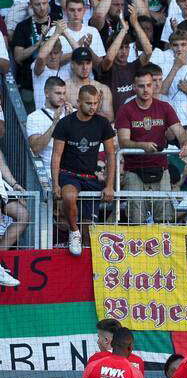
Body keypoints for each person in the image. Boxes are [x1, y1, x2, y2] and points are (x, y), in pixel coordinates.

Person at [115, 66, 187, 224]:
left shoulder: (164, 107)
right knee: (136, 220)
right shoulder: (125, 110)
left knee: (164, 218)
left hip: (161, 168)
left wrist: (185, 143)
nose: (146, 89)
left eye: (149, 85)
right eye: (141, 86)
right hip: (134, 170)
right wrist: (142, 146)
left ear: (153, 85)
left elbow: (180, 132)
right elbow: (123, 141)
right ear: (134, 87)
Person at [50, 85, 116, 256]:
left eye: (95, 103)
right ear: (78, 102)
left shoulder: (102, 123)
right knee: (69, 196)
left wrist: (109, 185)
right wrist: (55, 183)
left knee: (88, 235)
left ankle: (88, 274)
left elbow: (111, 155)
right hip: (69, 174)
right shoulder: (65, 123)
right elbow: (56, 155)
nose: (92, 107)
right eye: (88, 103)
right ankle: (73, 232)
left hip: (91, 177)